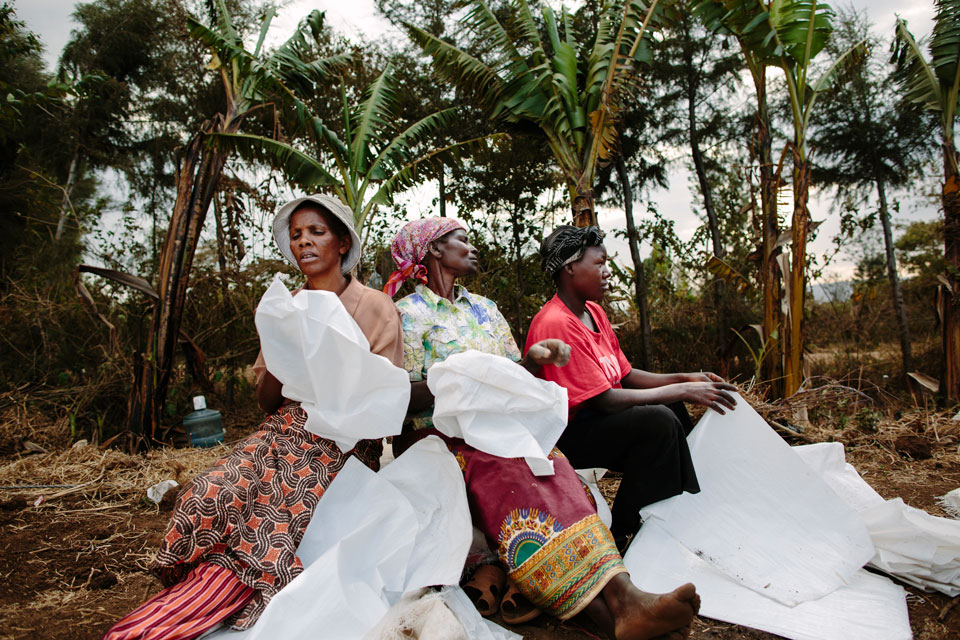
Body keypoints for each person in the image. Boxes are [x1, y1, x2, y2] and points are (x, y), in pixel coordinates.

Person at [104, 195, 403, 640]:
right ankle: (200, 585)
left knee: (275, 512)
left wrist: (331, 372)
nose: (303, 242)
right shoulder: (287, 306)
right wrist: (288, 347)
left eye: (316, 232)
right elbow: (267, 401)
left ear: (342, 243)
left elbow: (384, 402)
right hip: (285, 428)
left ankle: (221, 593)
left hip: (345, 441)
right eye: (296, 235)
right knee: (210, 492)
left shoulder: (376, 306)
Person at [386, 217, 700, 640]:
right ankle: (614, 618)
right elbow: (399, 398)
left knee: (554, 467)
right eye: (462, 239)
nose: (472, 247)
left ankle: (625, 597)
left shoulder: (486, 310)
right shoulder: (406, 315)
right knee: (512, 481)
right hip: (440, 437)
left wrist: (533, 362)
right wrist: (457, 383)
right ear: (435, 250)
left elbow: (510, 379)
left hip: (497, 429)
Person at [526, 225, 738, 550]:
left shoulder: (593, 312)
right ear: (570, 268)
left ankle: (680, 507)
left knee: (670, 408)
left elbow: (624, 375)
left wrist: (685, 379)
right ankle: (623, 533)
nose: (607, 271)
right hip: (567, 435)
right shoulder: (555, 322)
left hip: (599, 421)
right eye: (599, 263)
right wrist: (682, 390)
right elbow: (605, 400)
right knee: (658, 422)